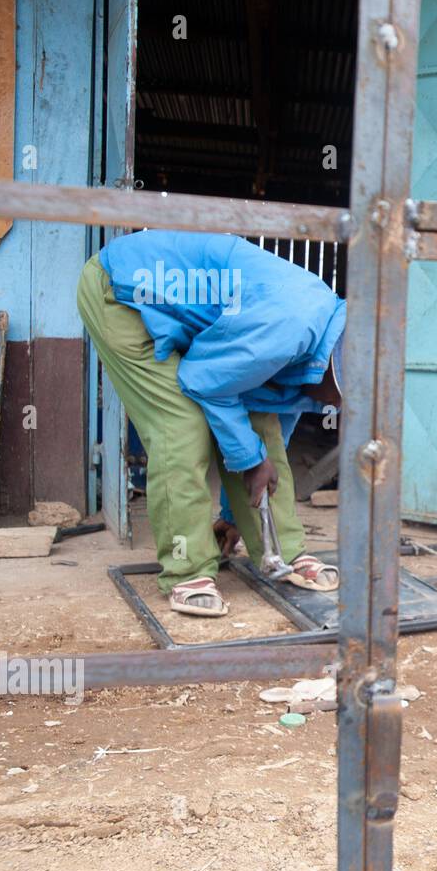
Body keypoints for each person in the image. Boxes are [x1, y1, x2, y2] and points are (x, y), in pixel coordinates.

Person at [77, 229, 345, 621]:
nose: (336, 409)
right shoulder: (290, 329)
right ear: (334, 372)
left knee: (261, 432)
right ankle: (187, 569)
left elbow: (269, 434)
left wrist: (237, 512)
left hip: (186, 311)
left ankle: (280, 550)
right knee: (182, 424)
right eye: (341, 399)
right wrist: (250, 462)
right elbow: (203, 378)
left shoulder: (319, 343)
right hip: (122, 293)